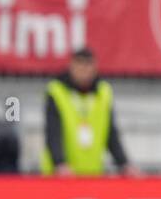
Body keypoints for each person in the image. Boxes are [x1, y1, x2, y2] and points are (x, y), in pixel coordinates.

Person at [40, 48, 139, 176]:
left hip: (92, 174)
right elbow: (53, 133)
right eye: (79, 66)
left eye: (87, 66)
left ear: (95, 68)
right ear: (71, 66)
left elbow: (110, 133)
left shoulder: (104, 93)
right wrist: (59, 163)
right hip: (60, 176)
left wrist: (124, 164)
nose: (83, 72)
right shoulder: (57, 91)